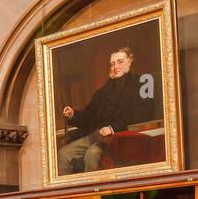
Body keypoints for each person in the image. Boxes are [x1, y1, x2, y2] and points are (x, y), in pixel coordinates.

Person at [58, 45, 158, 174]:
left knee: (92, 154)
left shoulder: (143, 82)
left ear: (130, 60)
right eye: (112, 64)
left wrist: (112, 128)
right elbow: (88, 115)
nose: (115, 67)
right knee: (64, 154)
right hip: (95, 135)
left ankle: (92, 192)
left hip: (118, 138)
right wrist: (73, 114)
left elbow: (143, 114)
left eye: (120, 62)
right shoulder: (103, 91)